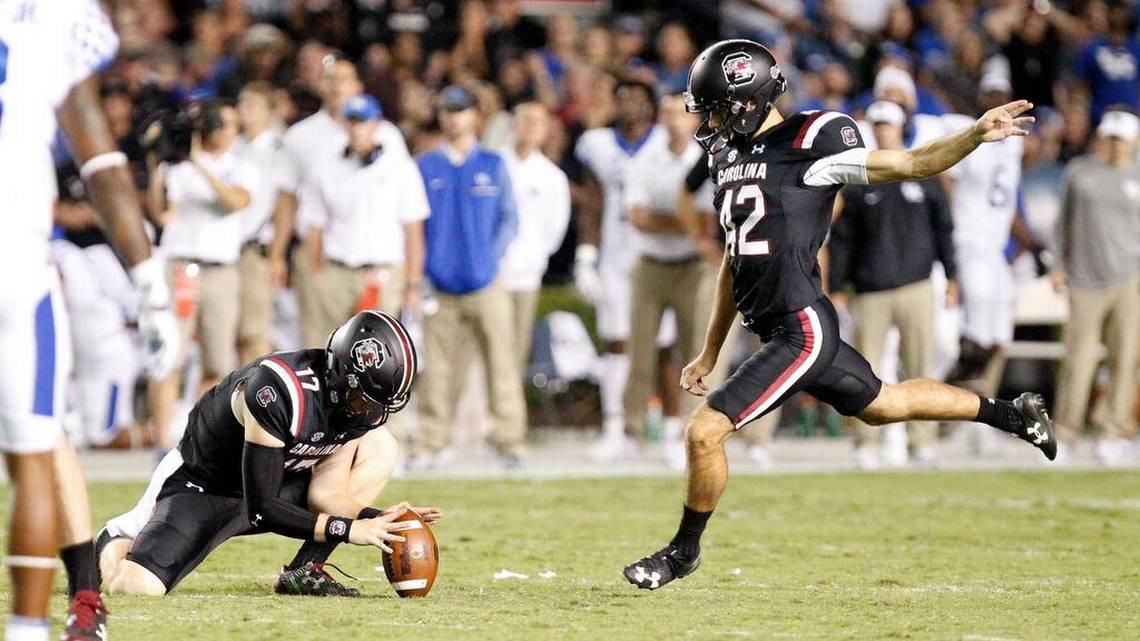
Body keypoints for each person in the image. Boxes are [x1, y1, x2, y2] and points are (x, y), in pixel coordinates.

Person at [623, 39, 1056, 592]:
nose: (706, 120)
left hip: (800, 330)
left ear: (750, 102)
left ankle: (683, 552)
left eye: (715, 107)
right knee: (885, 404)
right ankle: (1014, 413)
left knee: (705, 432)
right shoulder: (726, 155)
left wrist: (973, 134)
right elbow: (737, 260)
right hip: (782, 326)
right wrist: (710, 349)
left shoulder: (813, 139)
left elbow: (912, 162)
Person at [0, 1, 178, 639]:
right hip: (16, 266)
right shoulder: (50, 18)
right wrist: (148, 275)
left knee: (44, 446)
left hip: (19, 260)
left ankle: (79, 597)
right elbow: (98, 158)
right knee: (38, 446)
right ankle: (44, 620)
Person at [96, 311, 441, 596]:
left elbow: (328, 495)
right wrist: (349, 530)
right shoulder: (278, 390)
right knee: (136, 587)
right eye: (365, 400)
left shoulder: (354, 410)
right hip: (205, 485)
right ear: (340, 378)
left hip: (275, 479)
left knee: (381, 446)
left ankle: (304, 571)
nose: (372, 414)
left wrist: (381, 520)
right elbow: (263, 508)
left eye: (380, 404)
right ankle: (115, 537)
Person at [829, 100, 959, 469]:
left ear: (902, 128)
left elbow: (944, 228)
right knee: (864, 371)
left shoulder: (923, 174)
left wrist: (952, 275)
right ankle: (865, 442)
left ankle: (922, 441)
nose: (883, 130)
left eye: (889, 124)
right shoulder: (857, 179)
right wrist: (838, 284)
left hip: (917, 284)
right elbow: (842, 239)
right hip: (869, 289)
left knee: (920, 366)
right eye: (878, 125)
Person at [413, 85, 524, 468]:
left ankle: (509, 441)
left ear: (476, 115)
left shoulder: (493, 164)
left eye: (459, 110)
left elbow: (510, 219)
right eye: (446, 110)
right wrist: (423, 272)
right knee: (438, 369)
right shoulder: (425, 165)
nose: (452, 117)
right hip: (440, 286)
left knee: (502, 363)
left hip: (486, 283)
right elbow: (414, 224)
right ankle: (431, 442)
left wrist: (489, 260)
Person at [267, 55, 408, 348]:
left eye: (344, 80)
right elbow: (286, 200)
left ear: (357, 85)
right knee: (319, 347)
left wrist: (406, 266)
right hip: (319, 254)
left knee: (371, 353)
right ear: (320, 84)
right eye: (330, 79)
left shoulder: (387, 135)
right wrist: (277, 256)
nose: (336, 86)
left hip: (375, 257)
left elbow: (405, 202)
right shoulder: (301, 136)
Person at [148, 100, 258, 449]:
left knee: (217, 359)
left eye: (225, 124)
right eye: (214, 123)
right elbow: (162, 215)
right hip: (180, 268)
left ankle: (205, 439)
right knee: (170, 356)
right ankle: (161, 441)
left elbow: (235, 202)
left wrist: (197, 162)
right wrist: (156, 163)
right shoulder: (178, 168)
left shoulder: (242, 167)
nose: (218, 130)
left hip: (221, 270)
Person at [573, 79, 668, 459]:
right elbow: (593, 204)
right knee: (617, 343)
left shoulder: (667, 141)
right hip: (615, 256)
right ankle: (616, 427)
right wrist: (585, 256)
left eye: (637, 98)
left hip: (661, 255)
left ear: (651, 105)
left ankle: (666, 429)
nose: (629, 105)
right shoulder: (599, 145)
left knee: (663, 347)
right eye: (623, 98)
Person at [1051, 109, 1140, 465]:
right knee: (1079, 360)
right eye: (1110, 136)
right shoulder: (1080, 173)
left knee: (1125, 359)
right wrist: (1058, 264)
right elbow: (1062, 224)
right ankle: (1067, 433)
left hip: (1130, 279)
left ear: (1133, 141)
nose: (1114, 144)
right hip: (1085, 280)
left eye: (1120, 138)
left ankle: (1113, 431)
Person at [622, 93, 706, 469]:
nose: (673, 118)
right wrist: (690, 225)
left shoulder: (705, 158)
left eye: (680, 112)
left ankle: (688, 430)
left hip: (694, 266)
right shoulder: (645, 159)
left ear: (694, 119)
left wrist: (685, 226)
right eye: (668, 111)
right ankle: (632, 432)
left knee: (697, 353)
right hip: (651, 263)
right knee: (640, 350)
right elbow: (639, 217)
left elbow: (712, 222)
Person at [300, 93, 428, 339]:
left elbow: (413, 230)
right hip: (336, 271)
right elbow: (314, 224)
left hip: (383, 273)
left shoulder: (400, 167)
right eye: (352, 121)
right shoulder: (325, 166)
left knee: (375, 355)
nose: (357, 128)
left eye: (363, 121)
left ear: (377, 124)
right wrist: (316, 275)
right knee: (325, 349)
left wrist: (412, 282)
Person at [497, 101, 572, 369]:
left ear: (546, 130)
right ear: (512, 125)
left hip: (526, 273)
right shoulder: (493, 165)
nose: (529, 127)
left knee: (516, 349)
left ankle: (506, 410)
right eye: (524, 120)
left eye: (537, 122)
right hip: (489, 273)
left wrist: (533, 255)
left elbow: (554, 231)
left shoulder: (552, 177)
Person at [235, 81, 282, 363]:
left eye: (252, 104)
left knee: (255, 332)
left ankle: (258, 398)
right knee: (231, 332)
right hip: (227, 249)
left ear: (269, 111)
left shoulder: (279, 150)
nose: (244, 110)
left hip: (257, 249)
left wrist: (278, 253)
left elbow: (285, 207)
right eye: (242, 103)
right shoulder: (231, 146)